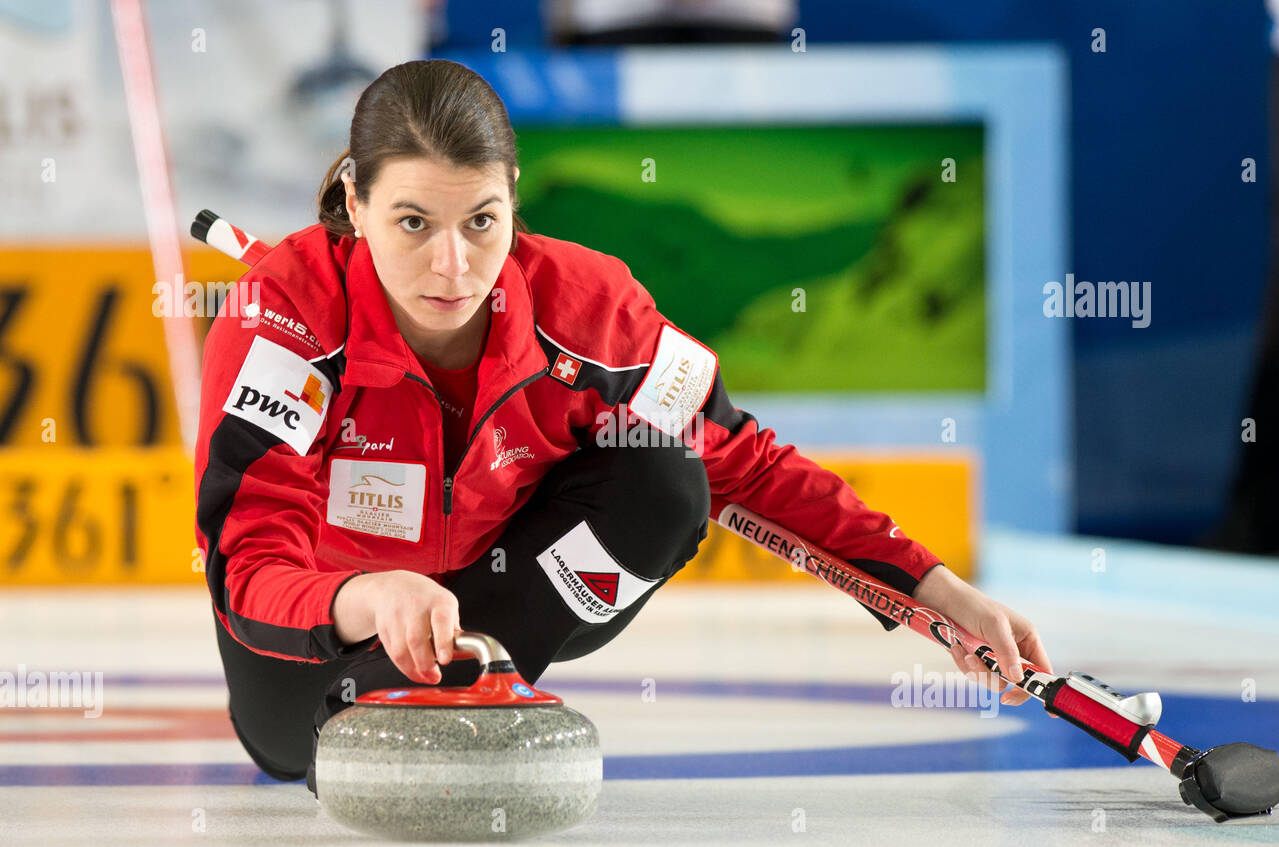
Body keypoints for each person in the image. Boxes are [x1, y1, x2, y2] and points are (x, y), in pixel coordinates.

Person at [193, 58, 1053, 793]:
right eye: (413, 223)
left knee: (667, 478)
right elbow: (252, 564)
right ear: (355, 197)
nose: (453, 267)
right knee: (288, 745)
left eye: (481, 221)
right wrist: (366, 597)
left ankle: (469, 681)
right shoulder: (286, 324)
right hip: (315, 636)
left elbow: (743, 465)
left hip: (501, 597)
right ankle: (378, 699)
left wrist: (936, 592)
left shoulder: (594, 310)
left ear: (513, 198)